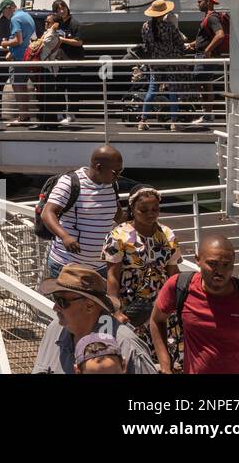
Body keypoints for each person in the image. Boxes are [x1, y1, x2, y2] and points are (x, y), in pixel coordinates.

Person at [150, 234, 239, 374]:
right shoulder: (179, 286)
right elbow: (157, 320)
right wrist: (165, 365)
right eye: (212, 264)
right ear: (198, 260)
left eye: (226, 264)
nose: (220, 271)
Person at [33, 265, 156, 374]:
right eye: (55, 299)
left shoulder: (127, 345)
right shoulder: (54, 330)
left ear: (89, 306)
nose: (55, 307)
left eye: (62, 302)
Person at [103, 185, 182, 329]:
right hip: (131, 305)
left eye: (155, 209)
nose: (150, 214)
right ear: (132, 209)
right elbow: (112, 276)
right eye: (144, 210)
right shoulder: (118, 236)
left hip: (161, 301)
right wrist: (115, 309)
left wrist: (179, 301)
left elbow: (173, 273)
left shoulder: (167, 234)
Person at [40, 145, 124, 278]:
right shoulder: (70, 182)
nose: (118, 176)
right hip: (67, 265)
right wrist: (65, 236)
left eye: (121, 171)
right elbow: (47, 213)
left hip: (100, 266)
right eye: (115, 172)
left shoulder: (112, 184)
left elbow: (117, 214)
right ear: (98, 167)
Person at [137, 0, 188, 132]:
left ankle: (143, 120)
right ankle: (173, 122)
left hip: (155, 63)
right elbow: (179, 43)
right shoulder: (169, 26)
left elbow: (146, 46)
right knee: (172, 91)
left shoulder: (145, 26)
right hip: (170, 62)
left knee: (152, 90)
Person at [186, 0, 229, 126]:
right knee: (205, 84)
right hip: (203, 55)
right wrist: (191, 45)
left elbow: (220, 34)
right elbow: (204, 38)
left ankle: (207, 114)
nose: (198, 4)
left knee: (203, 85)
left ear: (208, 2)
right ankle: (207, 114)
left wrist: (207, 50)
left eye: (200, 1)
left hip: (205, 57)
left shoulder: (211, 17)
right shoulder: (207, 17)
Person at [0, 0, 35, 126]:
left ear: (9, 7)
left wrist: (5, 43)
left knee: (17, 86)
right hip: (28, 57)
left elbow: (18, 40)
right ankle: (25, 115)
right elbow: (31, 38)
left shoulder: (15, 19)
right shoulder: (27, 16)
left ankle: (23, 117)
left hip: (19, 59)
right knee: (23, 86)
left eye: (3, 12)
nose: (3, 15)